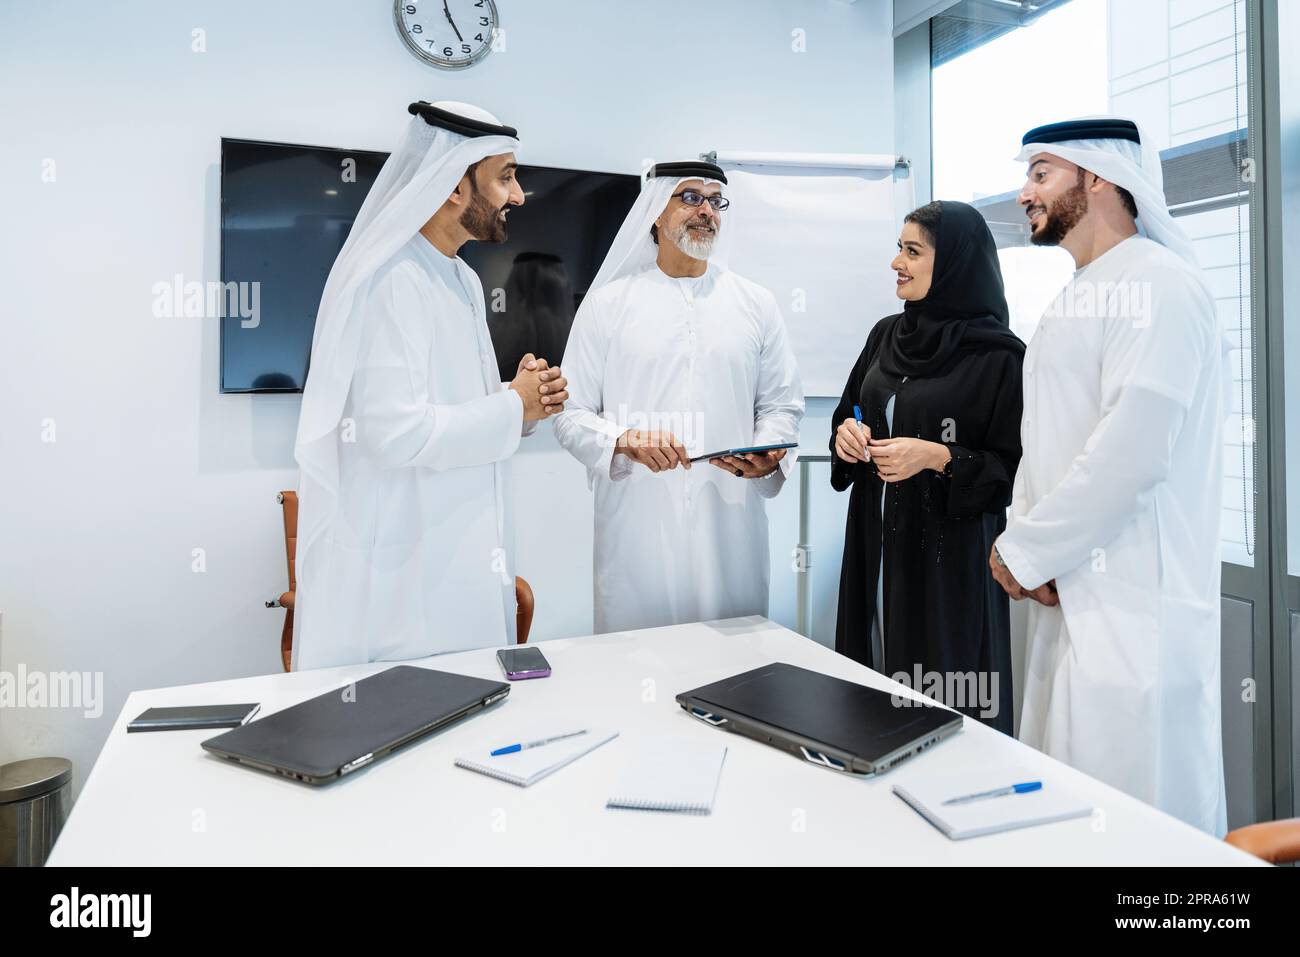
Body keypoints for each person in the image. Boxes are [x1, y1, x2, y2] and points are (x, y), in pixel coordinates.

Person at [991, 116, 1228, 835]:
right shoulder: (1076, 294)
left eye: (1041, 174)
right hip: (1065, 594)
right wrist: (1026, 545)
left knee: (1137, 824)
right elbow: (1044, 444)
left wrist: (1026, 551)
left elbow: (1132, 450)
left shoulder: (1161, 284)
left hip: (1134, 611)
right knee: (1067, 814)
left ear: (1097, 177)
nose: (1025, 192)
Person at [292, 100, 567, 670]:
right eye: (506, 177)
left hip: (456, 559)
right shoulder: (393, 279)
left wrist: (523, 405)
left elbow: (450, 404)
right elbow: (394, 433)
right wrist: (509, 408)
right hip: (402, 580)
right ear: (452, 187)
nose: (518, 196)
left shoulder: (460, 276)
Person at [552, 161, 804, 632]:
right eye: (690, 197)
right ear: (655, 212)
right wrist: (624, 440)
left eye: (715, 201)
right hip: (637, 525)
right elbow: (570, 414)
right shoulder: (607, 306)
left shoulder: (755, 304)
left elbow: (781, 406)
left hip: (729, 524)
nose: (706, 211)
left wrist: (768, 453)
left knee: (732, 673)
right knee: (636, 667)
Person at [830, 201, 1024, 732]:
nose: (897, 262)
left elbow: (1012, 471)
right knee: (871, 705)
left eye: (913, 251)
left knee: (947, 706)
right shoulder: (886, 335)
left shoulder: (1000, 358)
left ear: (956, 264)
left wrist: (938, 457)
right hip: (876, 540)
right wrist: (848, 435)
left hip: (951, 557)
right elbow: (851, 411)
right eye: (899, 247)